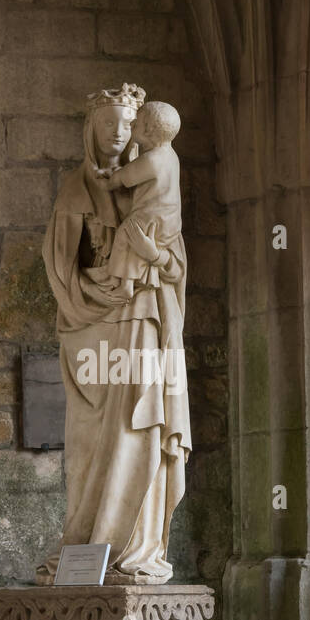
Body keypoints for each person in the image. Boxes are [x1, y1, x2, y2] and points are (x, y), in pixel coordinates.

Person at [36, 84, 191, 585]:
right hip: (93, 326)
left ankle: (134, 550)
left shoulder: (152, 184)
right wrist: (94, 294)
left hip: (146, 320)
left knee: (139, 427)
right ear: (91, 131)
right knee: (88, 445)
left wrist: (152, 258)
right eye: (109, 124)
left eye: (128, 124)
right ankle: (85, 546)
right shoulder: (76, 192)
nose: (120, 134)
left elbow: (174, 262)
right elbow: (60, 269)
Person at [92, 100, 183, 300]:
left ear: (149, 130)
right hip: (168, 219)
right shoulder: (170, 156)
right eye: (109, 124)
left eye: (132, 124)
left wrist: (107, 183)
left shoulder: (150, 160)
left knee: (126, 234)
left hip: (150, 217)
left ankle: (124, 283)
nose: (127, 129)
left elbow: (124, 177)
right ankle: (125, 283)